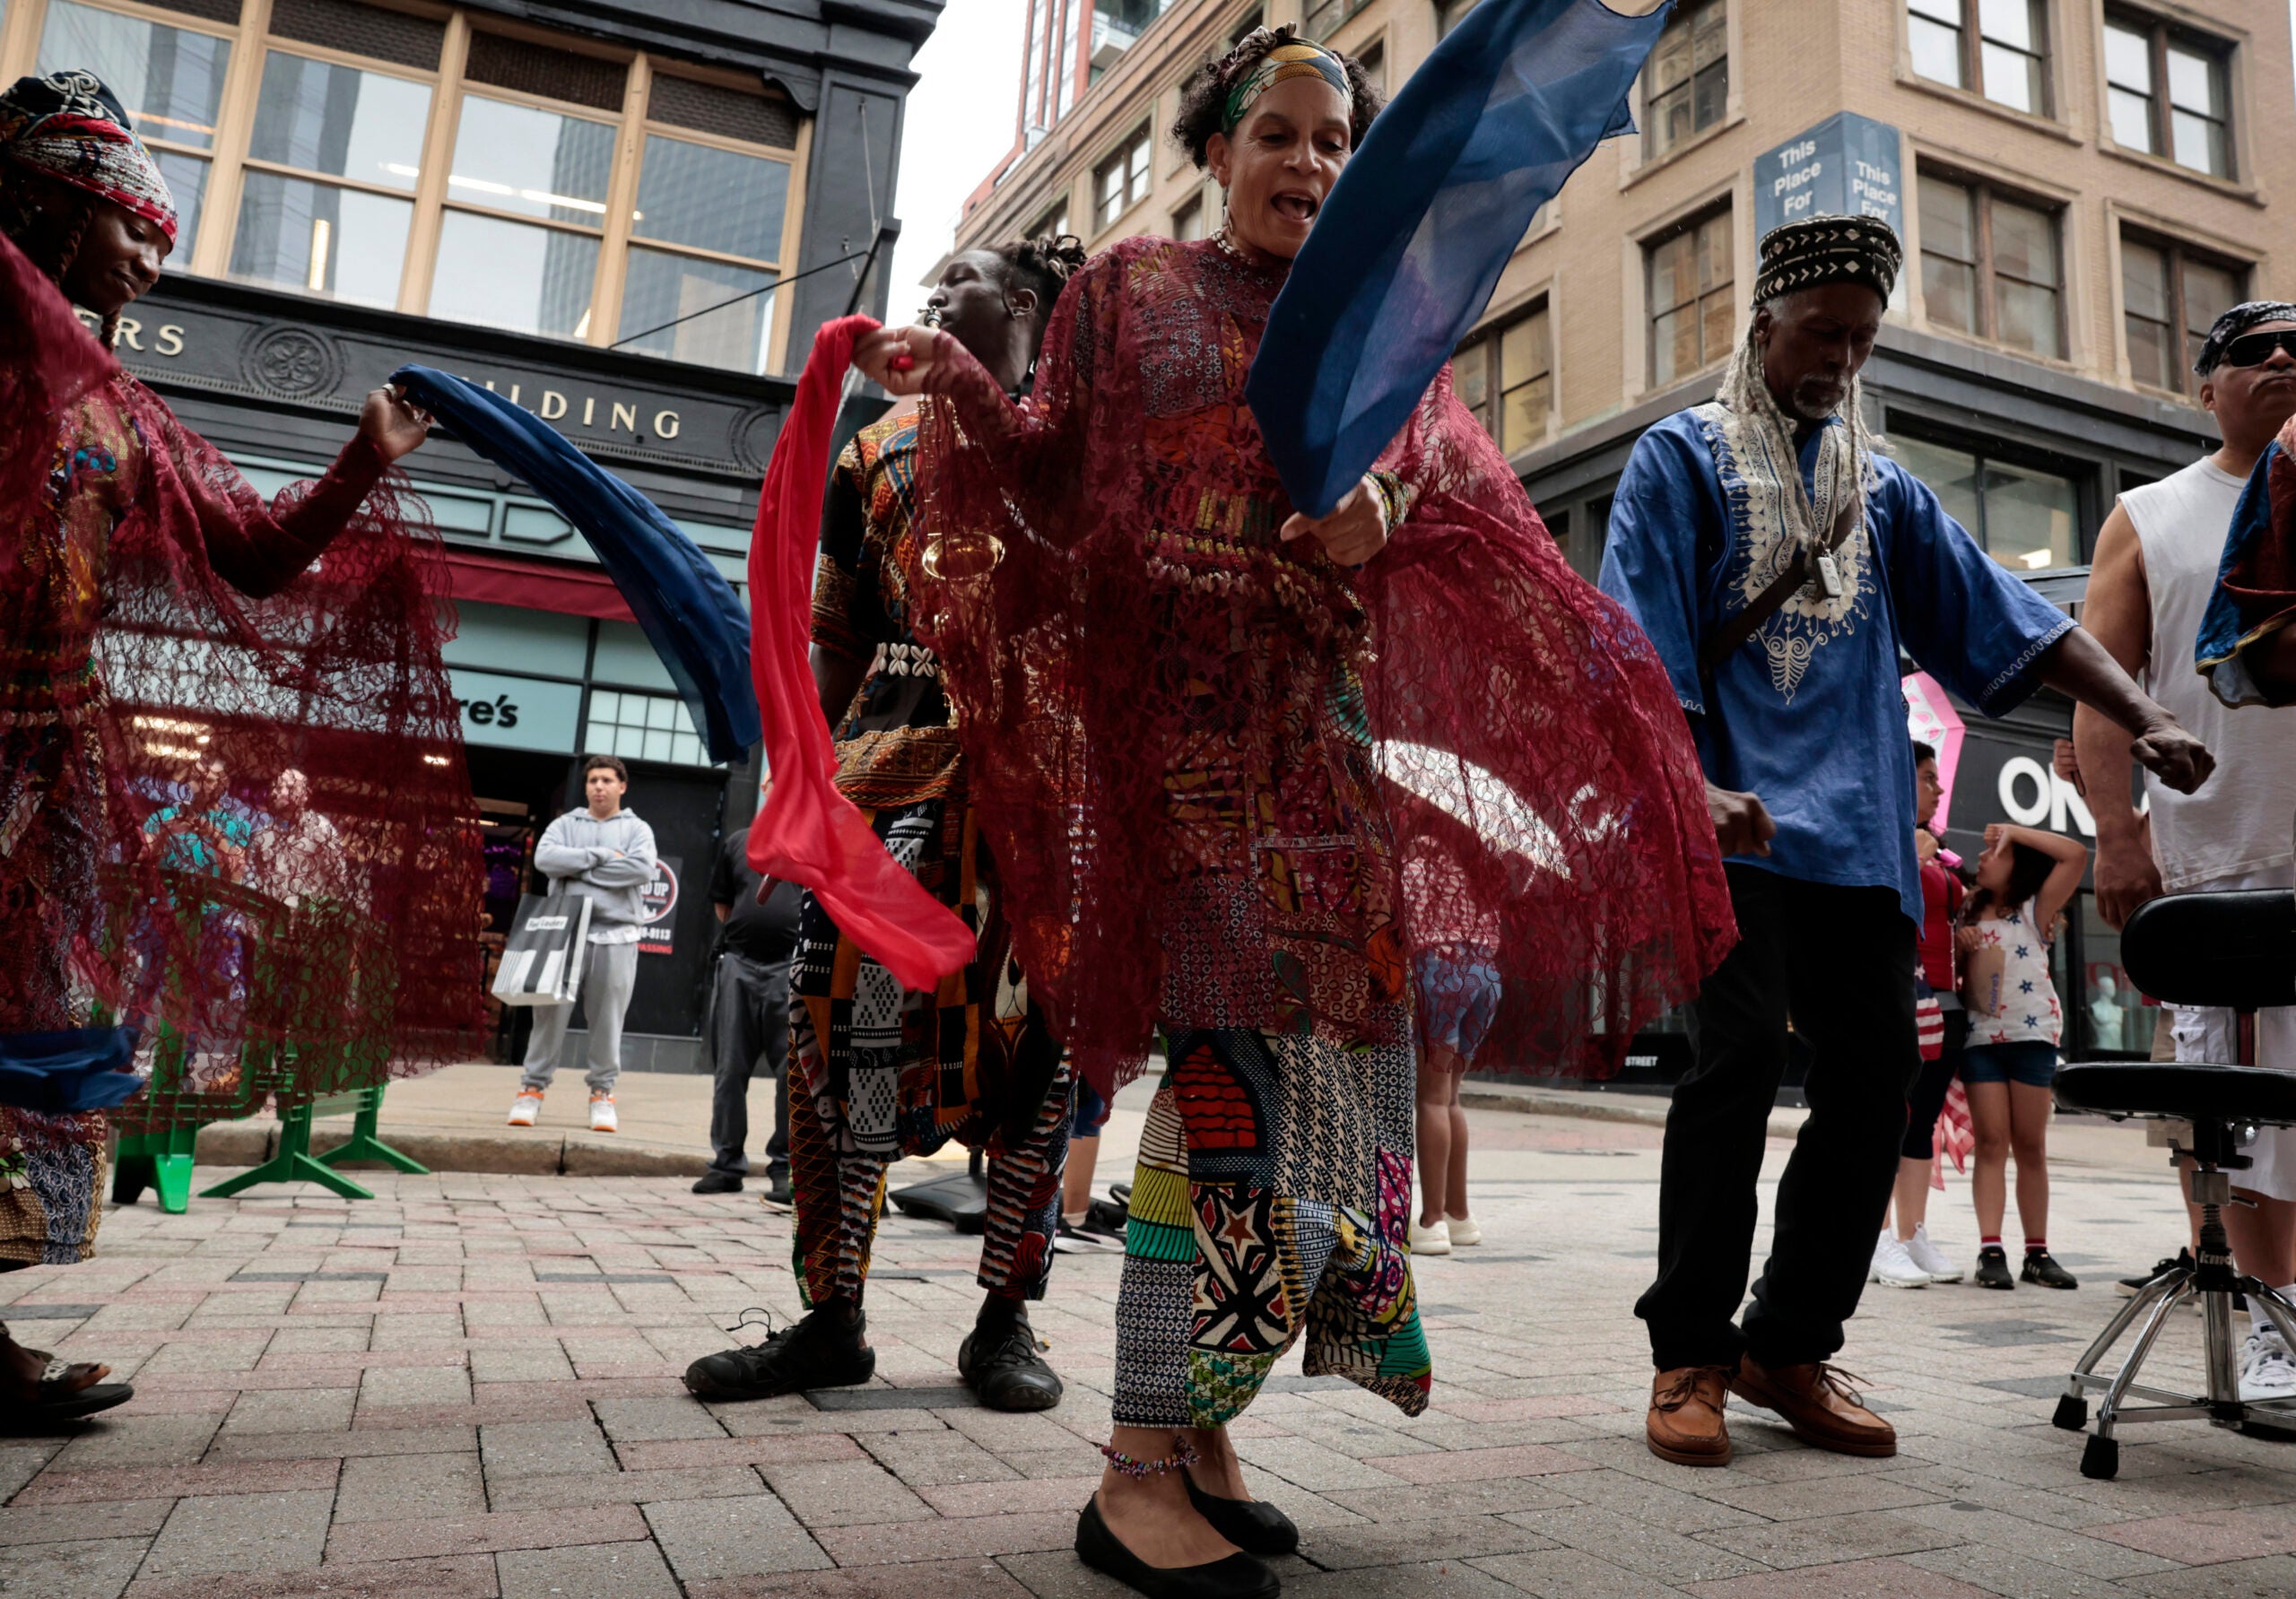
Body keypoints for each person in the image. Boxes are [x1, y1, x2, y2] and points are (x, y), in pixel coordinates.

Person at [851, 28, 1731, 1595]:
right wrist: (966, 389)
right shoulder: (1128, 292)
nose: (1309, 166)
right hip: (1181, 751)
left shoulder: (1389, 329)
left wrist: (1378, 515)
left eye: (1336, 144)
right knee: (1219, 1093)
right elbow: (1056, 479)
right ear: (1214, 146)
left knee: (1336, 1107)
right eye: (1280, 133)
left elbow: (1452, 502)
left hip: (1315, 757)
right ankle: (1132, 1467)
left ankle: (1203, 1433)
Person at [1601, 213, 2213, 1471]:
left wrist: (2142, 712)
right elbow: (1632, 647)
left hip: (1863, 840)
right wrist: (1688, 781)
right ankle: (1691, 1353)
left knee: (1877, 1079)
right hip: (1730, 828)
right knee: (1727, 1071)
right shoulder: (1680, 459)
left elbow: (2015, 622)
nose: (1841, 358)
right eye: (1823, 332)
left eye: (1863, 340)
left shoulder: (1883, 492)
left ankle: (1789, 1341)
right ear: (1763, 320)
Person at [0, 69, 457, 1423]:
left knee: (27, 1036)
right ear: (58, 208)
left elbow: (255, 552)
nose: (154, 257)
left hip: (43, 764)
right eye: (132, 227)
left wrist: (361, 460)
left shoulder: (116, 402)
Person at [684, 238, 1090, 1419]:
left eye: (952, 284)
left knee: (1038, 1057)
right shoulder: (874, 451)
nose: (924, 303)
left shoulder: (1083, 458)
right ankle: (831, 1314)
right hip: (884, 807)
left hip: (1037, 816)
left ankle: (1006, 1319)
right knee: (833, 1037)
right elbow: (838, 637)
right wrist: (815, 780)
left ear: (1019, 306)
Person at [2074, 300, 2296, 1400]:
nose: (2284, 358)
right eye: (2254, 351)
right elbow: (2099, 688)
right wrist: (2118, 834)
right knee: (2237, 1110)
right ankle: (2267, 1323)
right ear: (2205, 388)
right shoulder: (2148, 515)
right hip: (2217, 862)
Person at [1957, 822, 2085, 1290]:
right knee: (1991, 1142)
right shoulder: (1964, 912)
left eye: (1997, 852)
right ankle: (1990, 1249)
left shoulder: (2036, 910)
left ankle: (2037, 1252)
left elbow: (2075, 855)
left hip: (2033, 1039)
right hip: (1979, 1041)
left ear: (2020, 865)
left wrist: (2014, 830)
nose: (1984, 857)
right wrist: (1959, 945)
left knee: (2030, 1146)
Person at [508, 755, 657, 1135]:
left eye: (607, 780)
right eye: (593, 780)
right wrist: (602, 857)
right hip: (562, 933)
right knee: (547, 1018)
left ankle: (603, 1095)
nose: (599, 787)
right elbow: (545, 858)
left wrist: (576, 868)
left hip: (616, 935)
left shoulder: (638, 829)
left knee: (608, 1021)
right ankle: (531, 1090)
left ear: (622, 786)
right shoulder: (565, 824)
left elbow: (640, 868)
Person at [1870, 743, 1967, 1290]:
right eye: (1928, 778)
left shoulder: (1939, 847)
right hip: (1900, 991)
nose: (1938, 788)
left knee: (1922, 1122)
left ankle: (1912, 1233)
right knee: (1890, 1113)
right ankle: (1877, 1236)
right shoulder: (1888, 834)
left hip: (1945, 997)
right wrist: (1913, 852)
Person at [693, 818, 802, 1199]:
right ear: (765, 787)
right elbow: (723, 903)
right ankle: (726, 1165)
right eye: (777, 778)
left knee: (793, 1073)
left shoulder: (815, 843)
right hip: (738, 964)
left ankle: (786, 1167)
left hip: (791, 968)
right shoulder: (738, 843)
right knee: (729, 1070)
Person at [1405, 836, 1502, 1256]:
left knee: (1429, 1099)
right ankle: (1461, 1216)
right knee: (1451, 1098)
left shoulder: (1416, 858)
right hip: (1485, 975)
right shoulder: (1479, 859)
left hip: (1440, 972)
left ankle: (1431, 1222)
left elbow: (1400, 923)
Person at [246, 768, 351, 908]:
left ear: (305, 794)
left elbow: (339, 880)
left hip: (307, 919)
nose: (281, 792)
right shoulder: (263, 835)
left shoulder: (322, 830)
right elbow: (253, 877)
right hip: (271, 917)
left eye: (290, 787)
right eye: (277, 787)